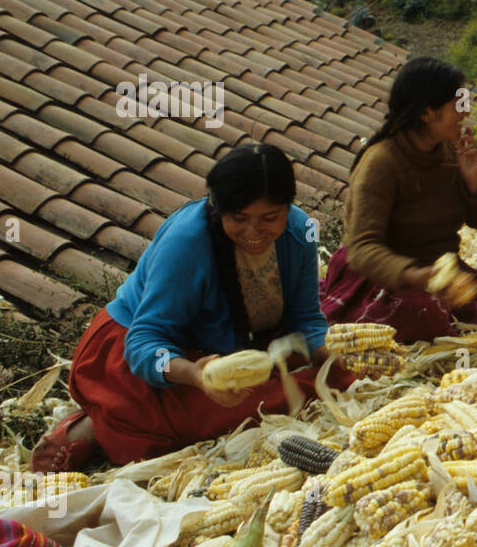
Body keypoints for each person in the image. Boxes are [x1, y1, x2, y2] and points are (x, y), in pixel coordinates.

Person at [30, 144, 353, 473]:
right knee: (260, 405)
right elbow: (145, 342)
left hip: (226, 346)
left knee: (337, 376)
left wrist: (331, 357)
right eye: (239, 219)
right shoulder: (187, 243)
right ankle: (97, 425)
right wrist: (196, 375)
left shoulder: (300, 232)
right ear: (219, 208)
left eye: (269, 218)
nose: (254, 233)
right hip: (139, 356)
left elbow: (305, 320)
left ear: (288, 208)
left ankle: (124, 418)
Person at [319, 56, 477, 341]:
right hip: (384, 277)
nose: (465, 114)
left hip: (442, 274)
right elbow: (361, 248)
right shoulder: (381, 163)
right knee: (421, 317)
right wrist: (416, 275)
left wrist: (472, 178)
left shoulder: (449, 152)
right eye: (457, 105)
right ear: (426, 113)